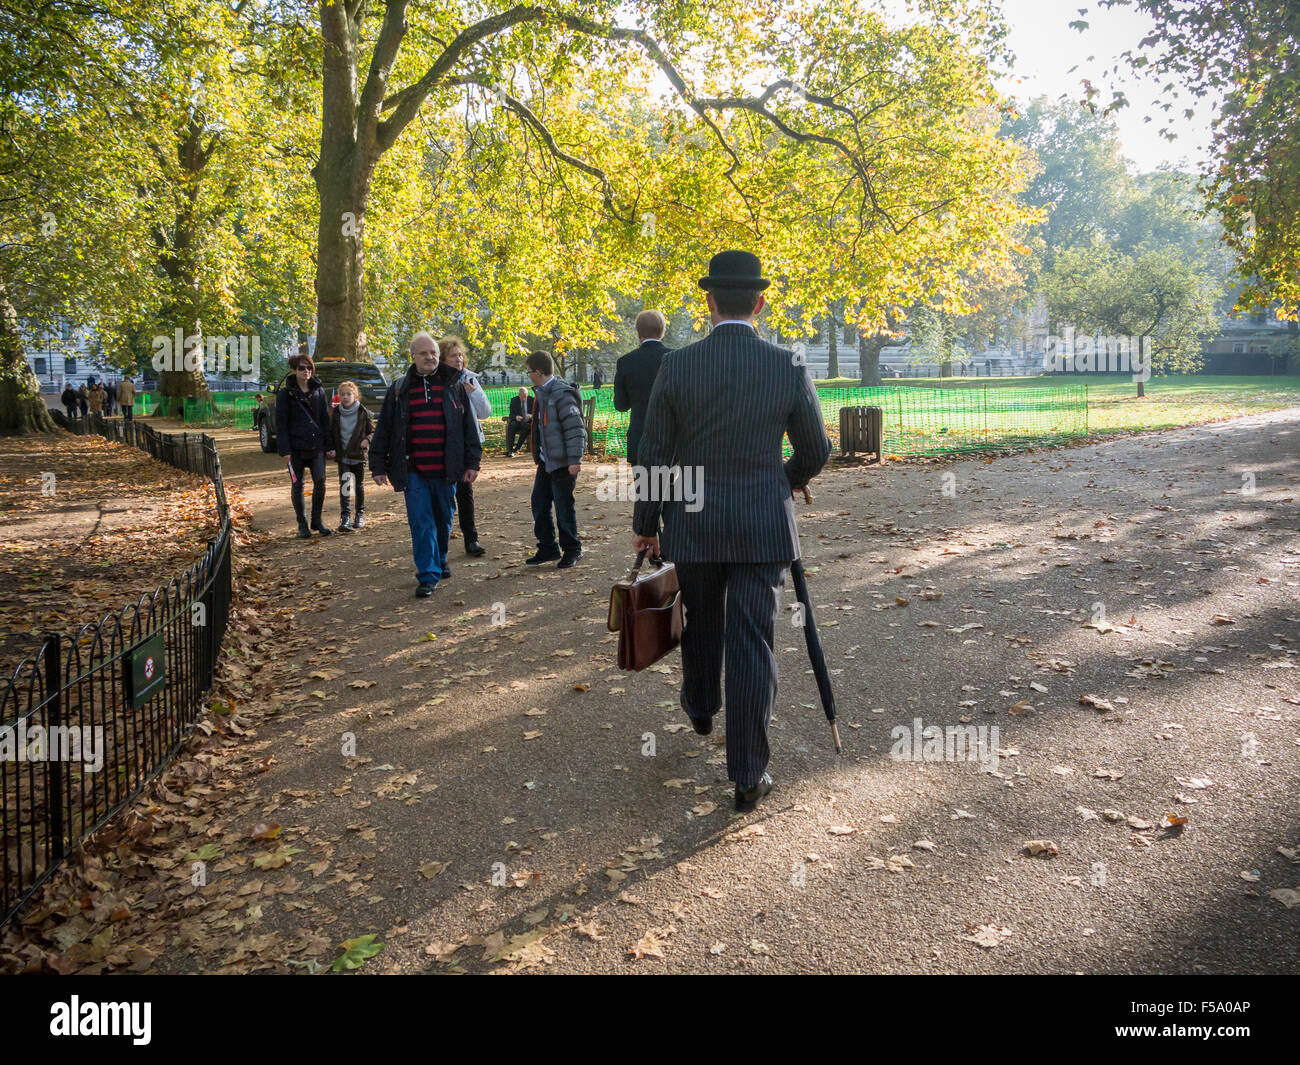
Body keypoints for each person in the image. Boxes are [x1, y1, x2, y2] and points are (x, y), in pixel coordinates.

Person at [632, 250, 830, 813]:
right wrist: (780, 483)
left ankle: (699, 703)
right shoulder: (787, 364)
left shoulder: (679, 365)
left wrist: (646, 526)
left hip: (693, 524)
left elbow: (654, 457)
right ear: (760, 302)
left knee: (700, 623)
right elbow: (816, 450)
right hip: (762, 526)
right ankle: (747, 773)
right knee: (752, 642)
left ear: (709, 302)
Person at [370, 331, 481, 598]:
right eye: (424, 353)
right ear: (413, 357)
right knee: (421, 521)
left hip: (446, 470)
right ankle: (427, 574)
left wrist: (472, 462)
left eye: (432, 352)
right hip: (413, 469)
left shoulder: (454, 386)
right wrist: (378, 465)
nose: (430, 357)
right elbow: (384, 428)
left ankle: (440, 558)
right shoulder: (399, 389)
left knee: (444, 519)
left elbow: (469, 428)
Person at [526, 351, 585, 569]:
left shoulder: (561, 394)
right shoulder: (543, 392)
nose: (529, 375)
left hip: (562, 462)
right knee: (539, 503)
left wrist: (574, 459)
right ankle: (548, 547)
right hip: (546, 461)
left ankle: (572, 549)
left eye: (530, 371)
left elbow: (575, 428)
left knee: (563, 507)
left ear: (538, 372)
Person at [438, 335, 489, 563]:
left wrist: (473, 393)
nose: (458, 359)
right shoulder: (437, 382)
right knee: (441, 496)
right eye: (453, 356)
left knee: (465, 493)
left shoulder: (470, 379)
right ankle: (439, 542)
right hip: (444, 445)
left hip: (466, 445)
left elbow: (485, 412)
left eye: (460, 355)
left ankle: (471, 538)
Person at [275, 352, 334, 538]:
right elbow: (281, 423)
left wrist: (329, 445)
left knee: (320, 481)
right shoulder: (285, 394)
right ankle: (302, 523)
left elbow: (325, 420)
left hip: (316, 446)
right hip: (295, 448)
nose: (306, 371)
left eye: (309, 367)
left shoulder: (319, 390)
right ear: (293, 370)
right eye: (302, 368)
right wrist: (284, 449)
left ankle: (317, 520)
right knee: (297, 484)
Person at [614, 310, 671, 466]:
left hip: (640, 438)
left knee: (644, 489)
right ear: (663, 331)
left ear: (638, 333)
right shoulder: (676, 359)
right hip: (670, 440)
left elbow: (620, 405)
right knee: (669, 489)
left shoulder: (625, 362)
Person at [329, 380, 375, 531]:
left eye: (348, 394)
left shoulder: (364, 412)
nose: (345, 397)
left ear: (355, 395)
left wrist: (366, 440)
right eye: (342, 394)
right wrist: (331, 448)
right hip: (343, 455)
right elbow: (331, 433)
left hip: (358, 455)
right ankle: (345, 517)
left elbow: (372, 432)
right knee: (345, 486)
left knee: (359, 486)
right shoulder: (336, 413)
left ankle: (359, 515)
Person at [505, 387, 534, 456]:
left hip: (528, 422)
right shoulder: (514, 400)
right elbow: (511, 414)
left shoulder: (532, 400)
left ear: (527, 394)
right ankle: (510, 450)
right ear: (519, 395)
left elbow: (538, 413)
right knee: (511, 425)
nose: (523, 399)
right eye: (522, 397)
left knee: (527, 427)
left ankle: (517, 448)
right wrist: (516, 417)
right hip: (518, 422)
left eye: (525, 396)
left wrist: (531, 415)